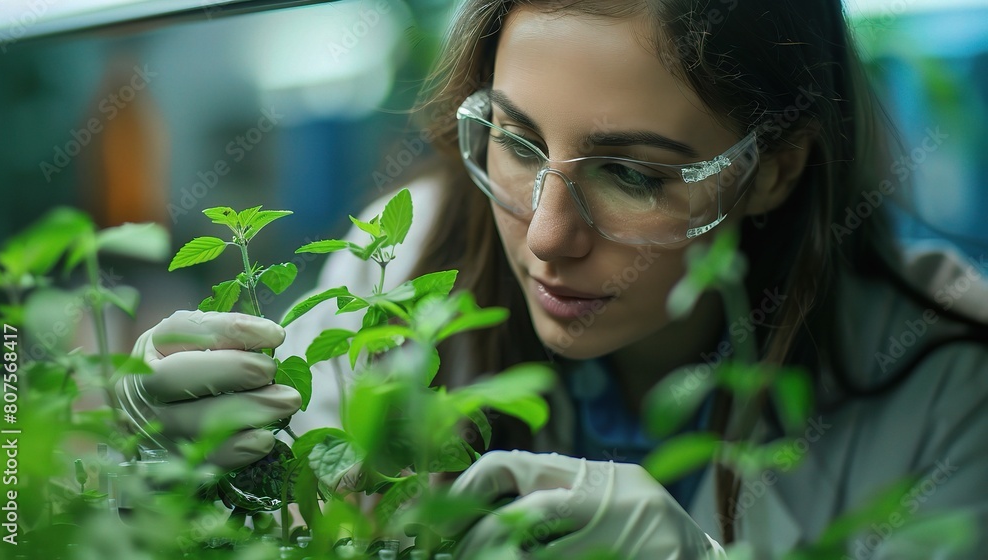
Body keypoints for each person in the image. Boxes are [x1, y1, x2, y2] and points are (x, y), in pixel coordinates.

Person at [116, 0, 988, 558]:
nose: (546, 235)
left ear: (775, 169)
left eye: (633, 174)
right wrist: (173, 459)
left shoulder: (955, 378)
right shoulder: (407, 257)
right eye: (519, 143)